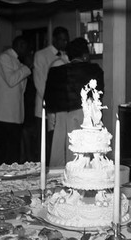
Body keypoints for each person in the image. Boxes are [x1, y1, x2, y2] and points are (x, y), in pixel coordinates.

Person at [44, 37, 104, 167]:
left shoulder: (55, 71)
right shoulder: (93, 69)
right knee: (83, 155)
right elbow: (99, 94)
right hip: (84, 116)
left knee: (61, 153)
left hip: (61, 116)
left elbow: (48, 98)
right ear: (85, 56)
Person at [0, 36, 33, 164]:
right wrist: (27, 68)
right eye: (26, 47)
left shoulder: (17, 61)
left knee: (14, 150)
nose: (27, 51)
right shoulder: (4, 58)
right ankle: (4, 178)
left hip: (15, 113)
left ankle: (12, 176)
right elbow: (11, 80)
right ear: (20, 45)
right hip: (4, 114)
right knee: (7, 151)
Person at [33, 26, 69, 162]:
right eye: (62, 40)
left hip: (60, 108)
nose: (64, 43)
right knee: (43, 145)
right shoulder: (41, 55)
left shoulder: (65, 56)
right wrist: (51, 103)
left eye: (66, 40)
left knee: (57, 144)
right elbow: (40, 82)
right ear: (54, 39)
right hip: (44, 106)